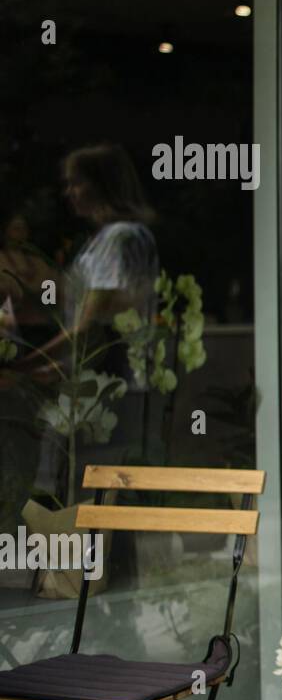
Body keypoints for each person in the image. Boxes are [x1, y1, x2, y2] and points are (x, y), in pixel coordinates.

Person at [8, 143, 159, 501]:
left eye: (76, 183)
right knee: (98, 490)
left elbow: (89, 325)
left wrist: (25, 364)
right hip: (103, 377)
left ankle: (105, 556)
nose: (69, 193)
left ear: (101, 185)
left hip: (110, 379)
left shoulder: (120, 239)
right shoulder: (109, 240)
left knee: (96, 490)